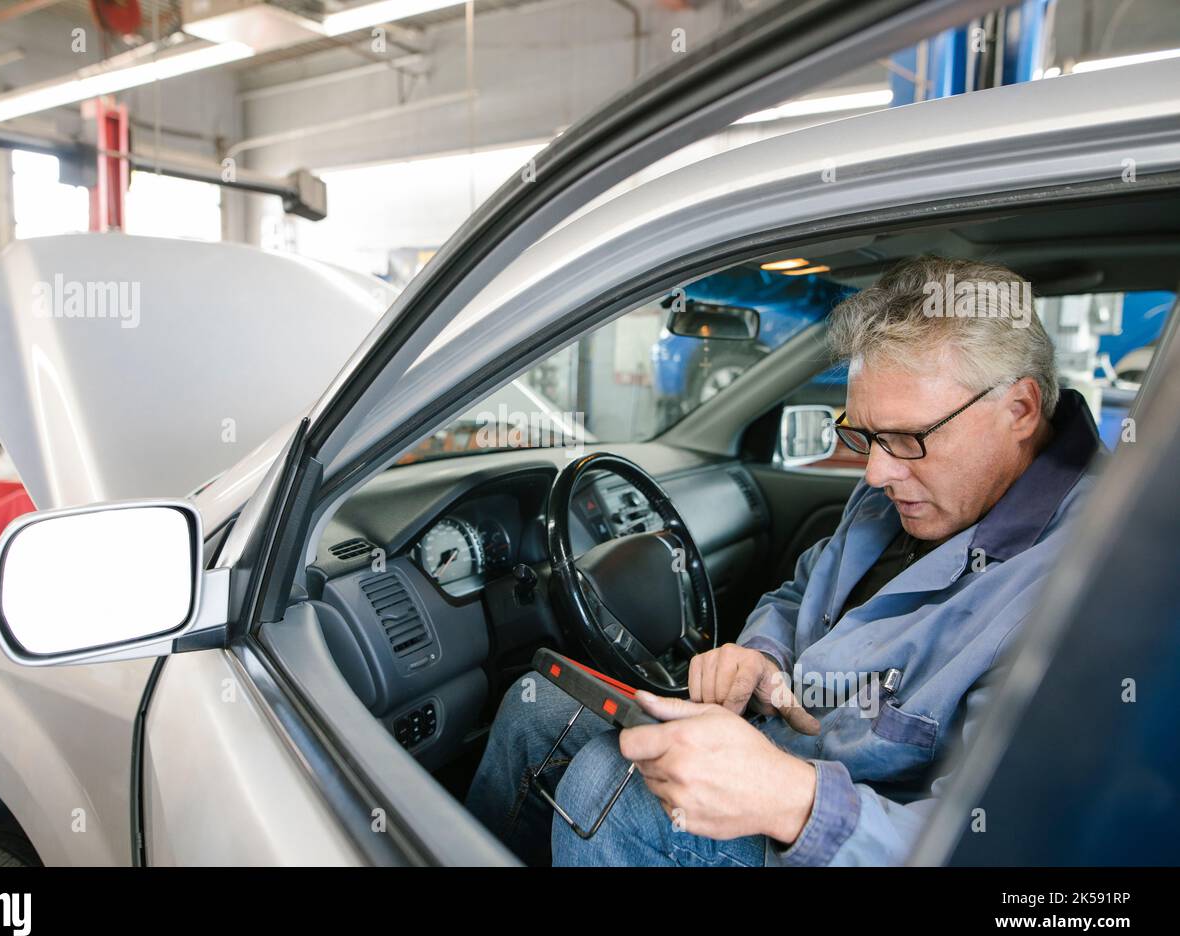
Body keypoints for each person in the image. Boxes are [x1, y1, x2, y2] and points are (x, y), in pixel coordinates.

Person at [465, 255, 1107, 866]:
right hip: (774, 747)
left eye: (907, 440)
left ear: (1018, 409)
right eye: (863, 435)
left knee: (611, 788)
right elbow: (801, 594)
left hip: (850, 839)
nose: (876, 472)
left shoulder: (1099, 581)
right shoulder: (909, 484)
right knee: (537, 707)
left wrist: (795, 802)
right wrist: (762, 656)